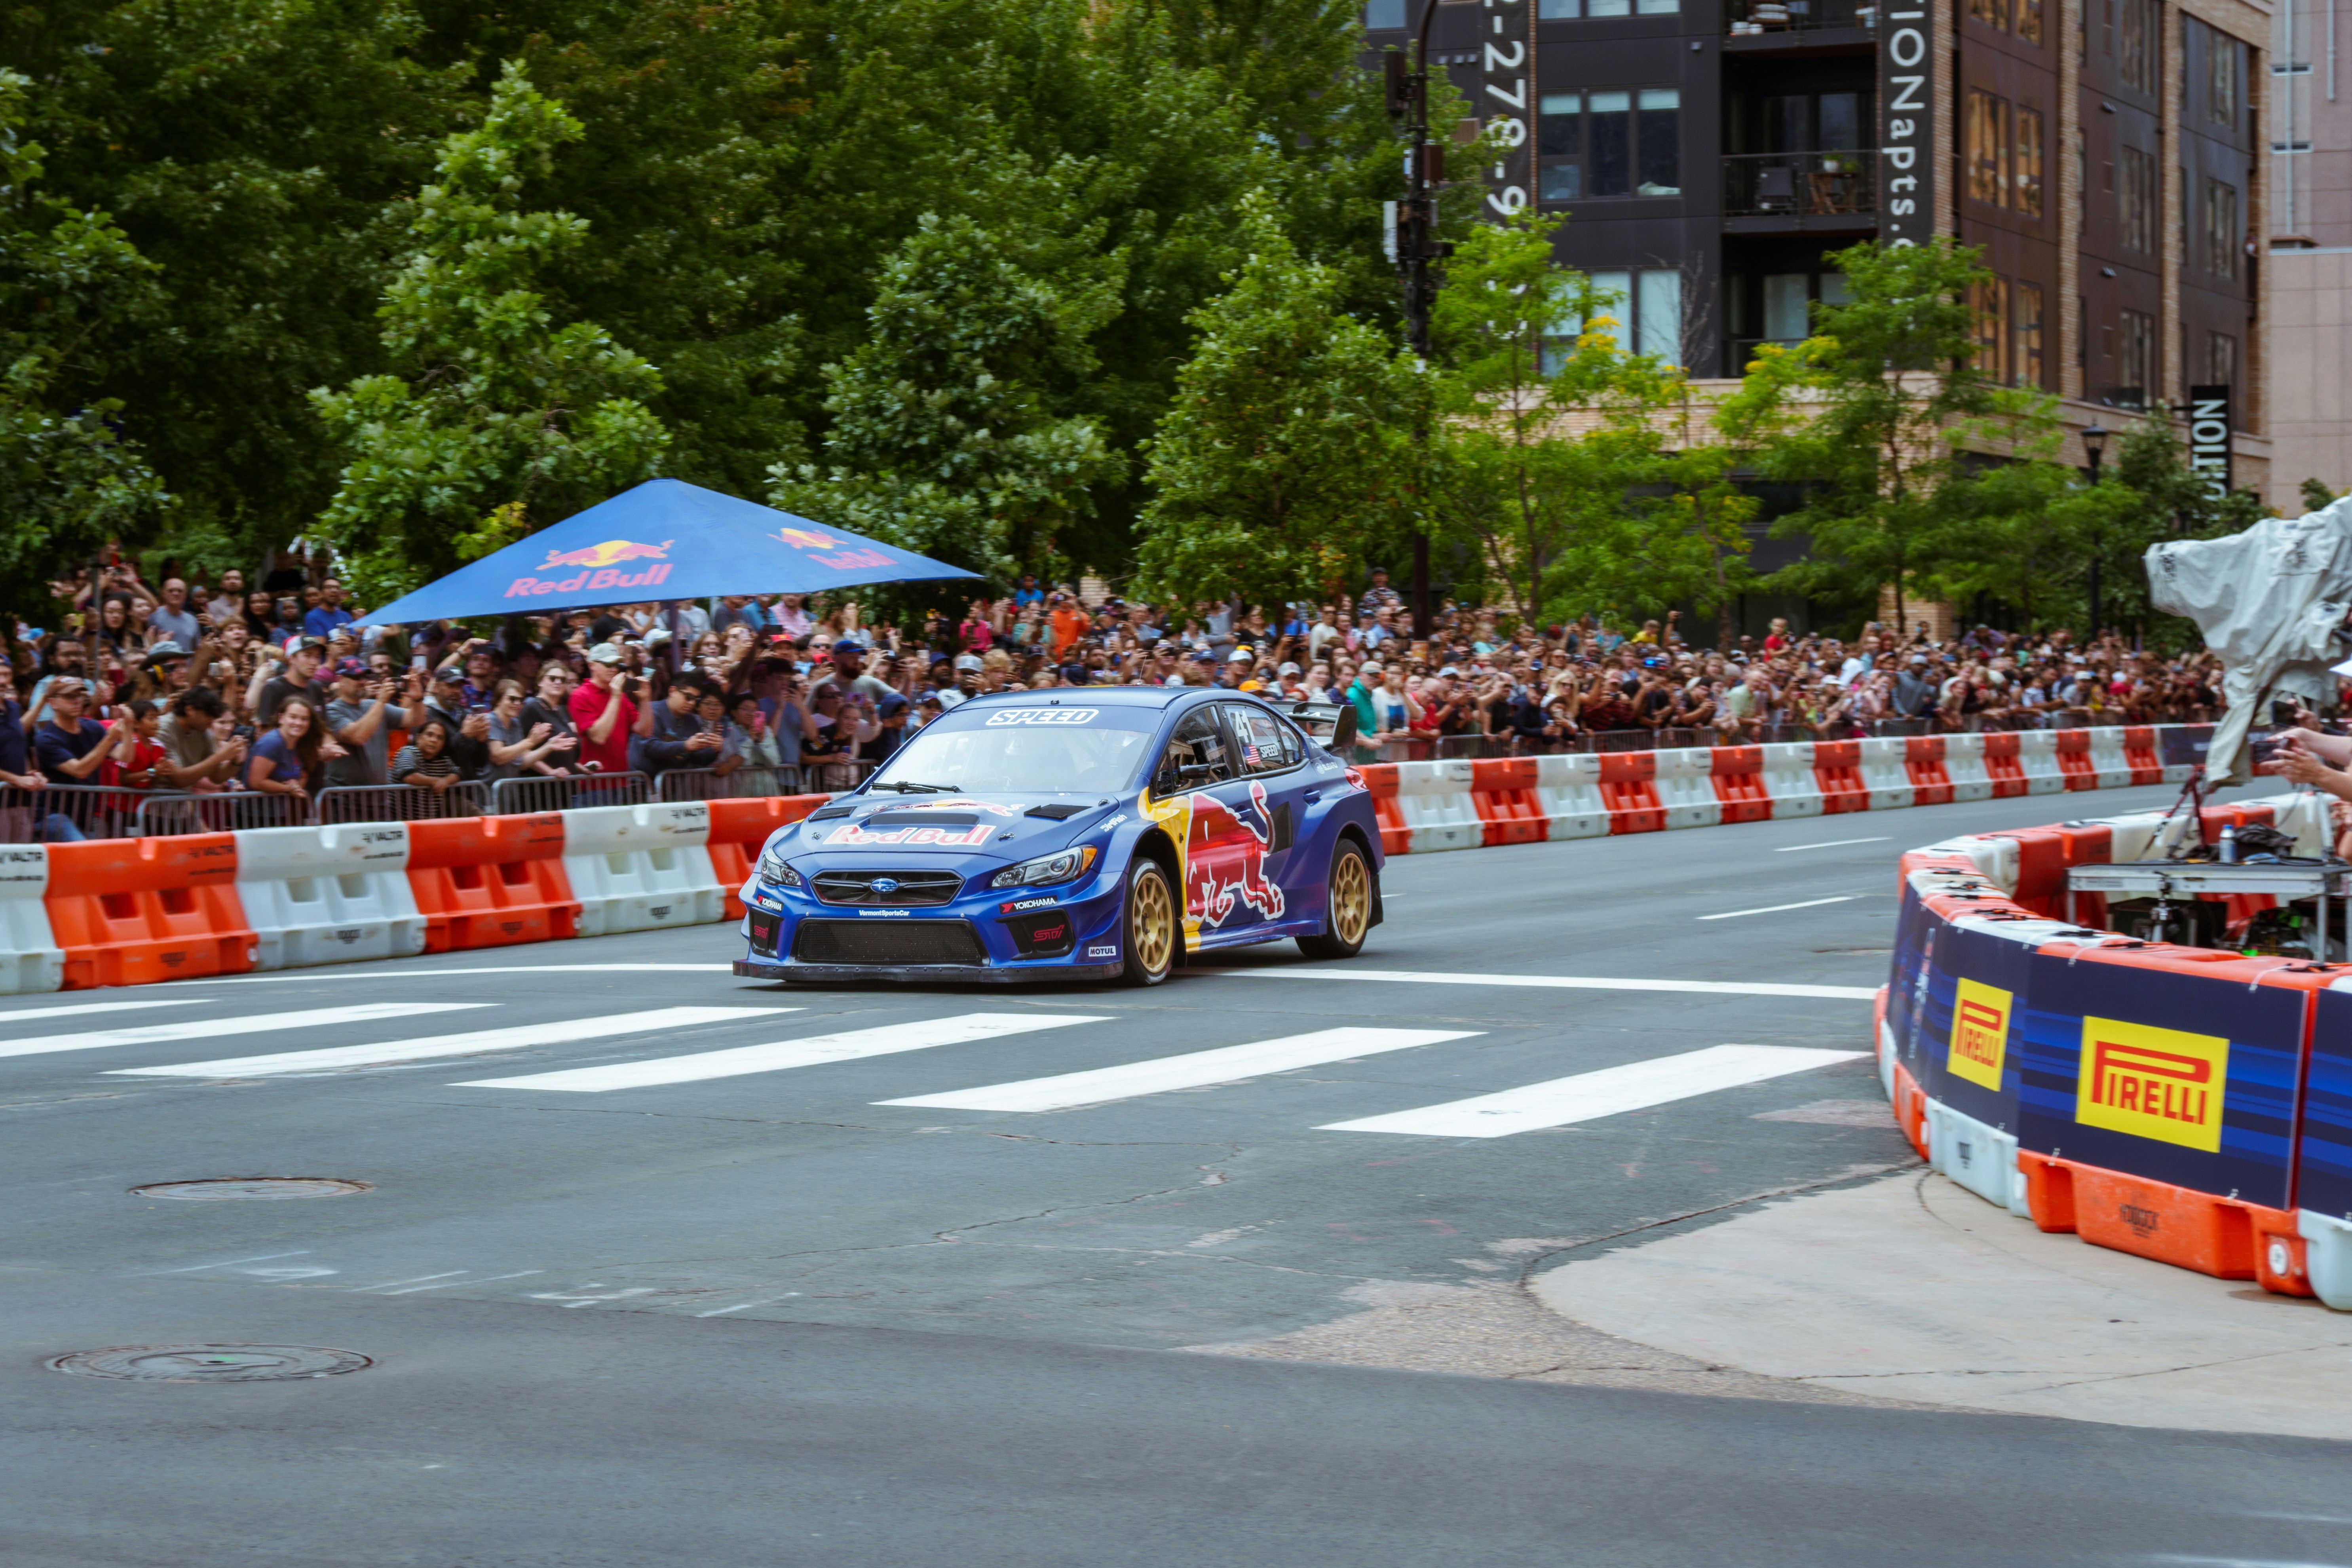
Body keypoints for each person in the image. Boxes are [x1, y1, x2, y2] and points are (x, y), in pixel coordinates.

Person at [325, 657, 421, 789]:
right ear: (340, 680)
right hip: (346, 799)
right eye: (356, 677)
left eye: (365, 676)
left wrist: (418, 698)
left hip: (378, 797)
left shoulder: (372, 705)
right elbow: (358, 737)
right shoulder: (332, 710)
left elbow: (415, 719)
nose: (363, 681)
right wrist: (381, 702)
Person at [568, 643, 649, 775]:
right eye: (608, 664)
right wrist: (616, 696)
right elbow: (599, 737)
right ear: (592, 665)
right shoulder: (580, 695)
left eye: (616, 665)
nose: (613, 669)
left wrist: (645, 700)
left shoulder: (620, 696)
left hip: (621, 778)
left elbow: (644, 731)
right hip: (595, 783)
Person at [245, 695, 346, 800]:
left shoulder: (301, 744)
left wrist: (296, 785)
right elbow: (256, 782)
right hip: (257, 812)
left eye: (304, 719)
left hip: (282, 811)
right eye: (293, 717)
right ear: (282, 718)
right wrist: (288, 788)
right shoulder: (272, 742)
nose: (298, 723)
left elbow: (303, 775)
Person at [484, 678, 576, 783]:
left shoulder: (515, 723)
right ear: (498, 700)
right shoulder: (491, 720)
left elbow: (523, 763)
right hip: (487, 792)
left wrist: (548, 747)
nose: (517, 704)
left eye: (521, 700)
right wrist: (530, 741)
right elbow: (498, 757)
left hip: (507, 793)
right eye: (513, 699)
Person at [390, 715, 468, 795]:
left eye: (440, 738)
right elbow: (409, 777)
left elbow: (458, 773)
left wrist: (445, 781)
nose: (434, 740)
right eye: (430, 735)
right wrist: (435, 781)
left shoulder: (442, 760)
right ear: (419, 738)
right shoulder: (408, 752)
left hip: (429, 808)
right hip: (401, 807)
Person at [147, 578, 201, 648]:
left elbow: (197, 649)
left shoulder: (192, 620)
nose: (176, 594)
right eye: (171, 591)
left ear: (186, 595)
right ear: (163, 593)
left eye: (180, 591)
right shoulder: (154, 617)